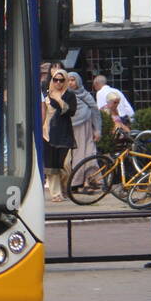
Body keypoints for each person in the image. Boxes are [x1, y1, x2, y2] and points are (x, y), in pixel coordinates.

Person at [42, 66, 77, 202]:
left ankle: (64, 188)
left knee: (66, 165)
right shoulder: (46, 95)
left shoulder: (70, 95)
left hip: (64, 133)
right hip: (49, 134)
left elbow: (71, 111)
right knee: (52, 167)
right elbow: (43, 113)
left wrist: (59, 99)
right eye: (55, 80)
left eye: (61, 80)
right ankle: (56, 194)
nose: (58, 83)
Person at [66, 72, 99, 191]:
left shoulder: (86, 95)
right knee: (79, 155)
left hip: (88, 129)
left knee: (90, 153)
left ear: (78, 81)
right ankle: (76, 182)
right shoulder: (66, 95)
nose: (70, 82)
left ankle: (89, 180)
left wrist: (98, 130)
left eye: (73, 80)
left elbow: (95, 111)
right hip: (74, 128)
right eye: (68, 80)